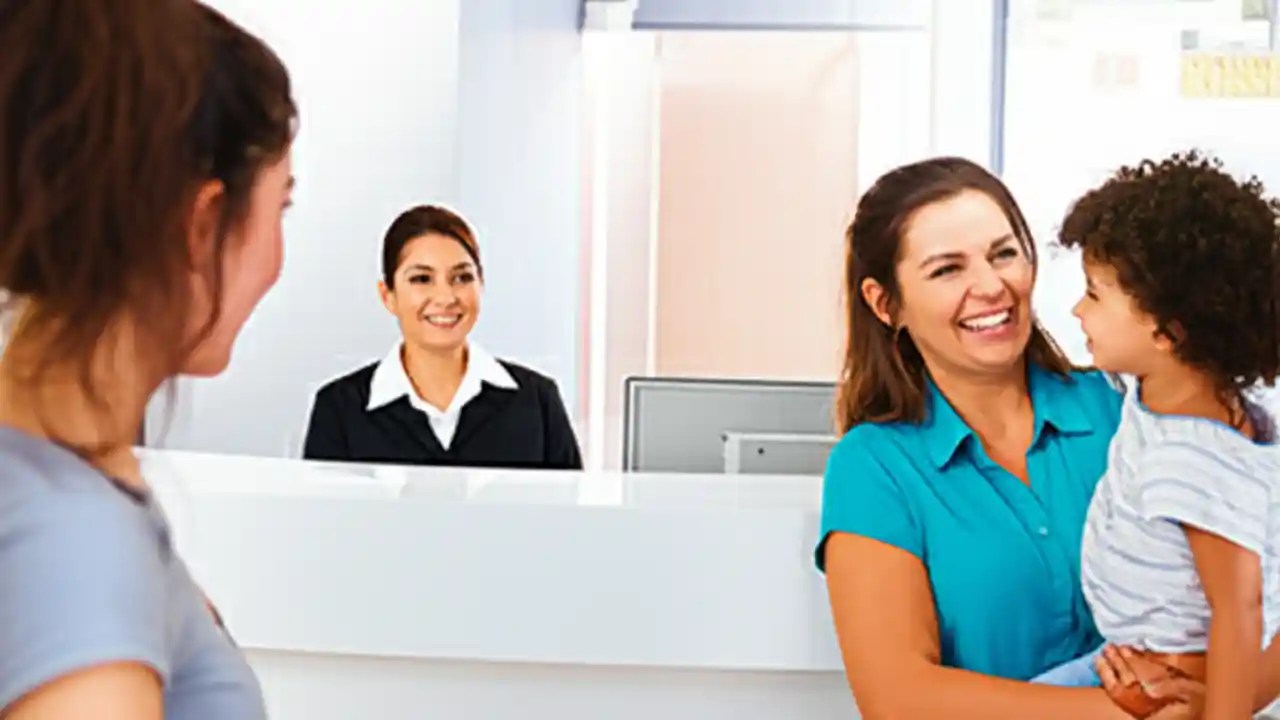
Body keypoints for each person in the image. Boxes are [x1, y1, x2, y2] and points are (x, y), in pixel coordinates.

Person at [816, 156, 1280, 720]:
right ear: (885, 303)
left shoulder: (1136, 412)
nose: (992, 286)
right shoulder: (875, 468)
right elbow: (898, 699)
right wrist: (1132, 713)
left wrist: (1220, 704)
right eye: (947, 270)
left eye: (1003, 254)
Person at [0, 1, 295, 717]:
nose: (278, 259)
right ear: (202, 224)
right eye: (280, 209)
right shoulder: (75, 545)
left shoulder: (65, 491)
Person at [1028, 151, 1280, 720]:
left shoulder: (1193, 459)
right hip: (1129, 657)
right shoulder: (1164, 390)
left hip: (1170, 678)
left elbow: (1239, 607)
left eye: (1094, 294)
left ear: (1167, 332)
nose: (1077, 310)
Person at [302, 205, 583, 469]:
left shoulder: (537, 401)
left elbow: (570, 505)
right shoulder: (339, 409)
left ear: (481, 284)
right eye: (422, 279)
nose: (446, 297)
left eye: (462, 278)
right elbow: (324, 507)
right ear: (387, 295)